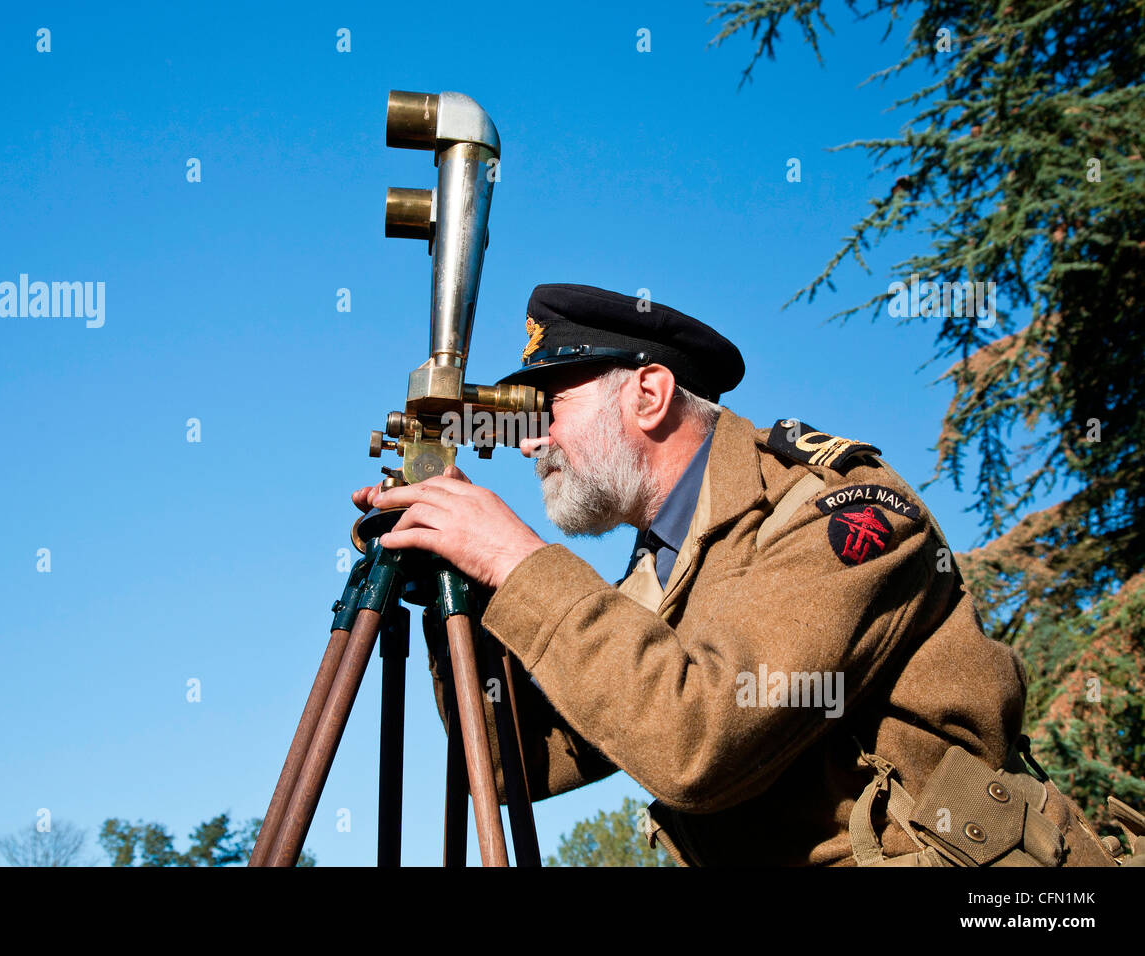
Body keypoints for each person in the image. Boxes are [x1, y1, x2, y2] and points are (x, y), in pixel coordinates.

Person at [351, 283, 1124, 867]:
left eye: (546, 404)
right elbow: (514, 764)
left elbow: (699, 743)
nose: (528, 440)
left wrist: (517, 560)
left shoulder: (842, 514)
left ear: (649, 394)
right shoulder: (662, 572)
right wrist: (470, 591)